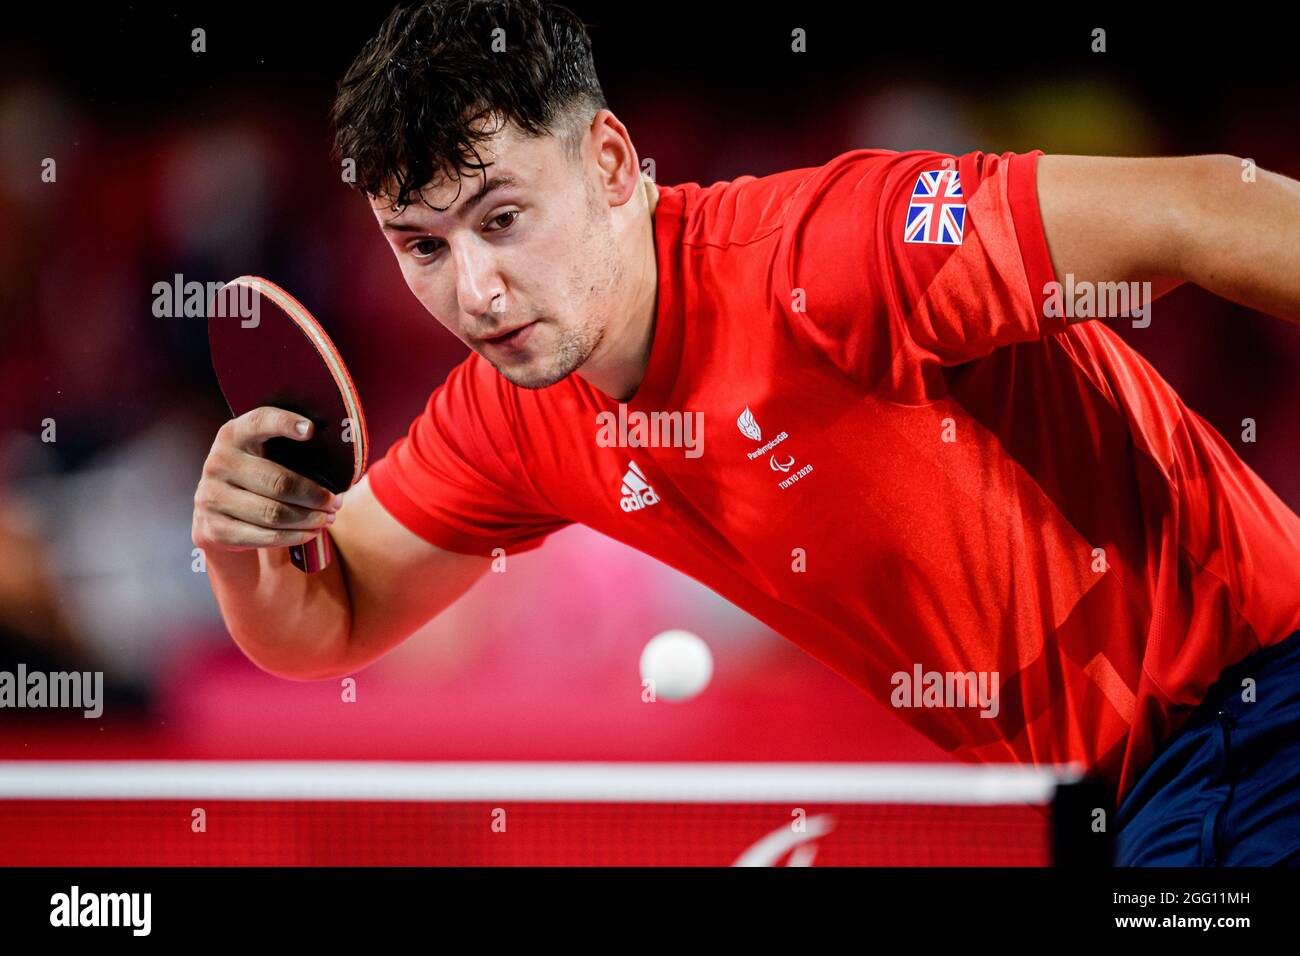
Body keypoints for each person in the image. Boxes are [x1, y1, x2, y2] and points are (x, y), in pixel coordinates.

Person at [192, 0, 1300, 864]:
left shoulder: (834, 254)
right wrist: (243, 550)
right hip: (1108, 793)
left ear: (613, 166)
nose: (476, 289)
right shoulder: (512, 414)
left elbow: (1206, 207)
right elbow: (326, 621)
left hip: (1256, 709)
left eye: (502, 218)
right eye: (422, 247)